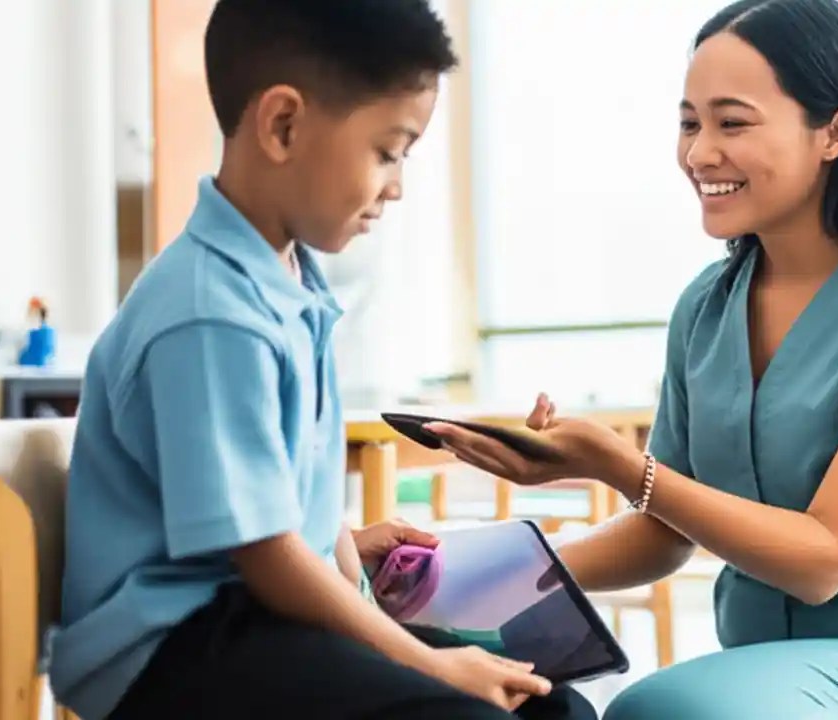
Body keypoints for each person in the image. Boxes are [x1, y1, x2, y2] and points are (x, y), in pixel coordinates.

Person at [423, 0, 838, 718]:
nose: (700, 153)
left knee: (665, 710)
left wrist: (616, 464)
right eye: (689, 123)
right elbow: (664, 533)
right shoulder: (705, 307)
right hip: (766, 670)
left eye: (732, 123)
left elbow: (828, 558)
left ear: (836, 133)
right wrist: (470, 591)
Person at [48, 1, 594, 718]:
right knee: (468, 708)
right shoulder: (208, 310)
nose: (396, 185)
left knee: (550, 705)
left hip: (247, 611)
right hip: (170, 649)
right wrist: (429, 663)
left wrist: (344, 548)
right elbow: (266, 557)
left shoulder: (283, 282)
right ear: (283, 125)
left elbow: (274, 505)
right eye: (388, 151)